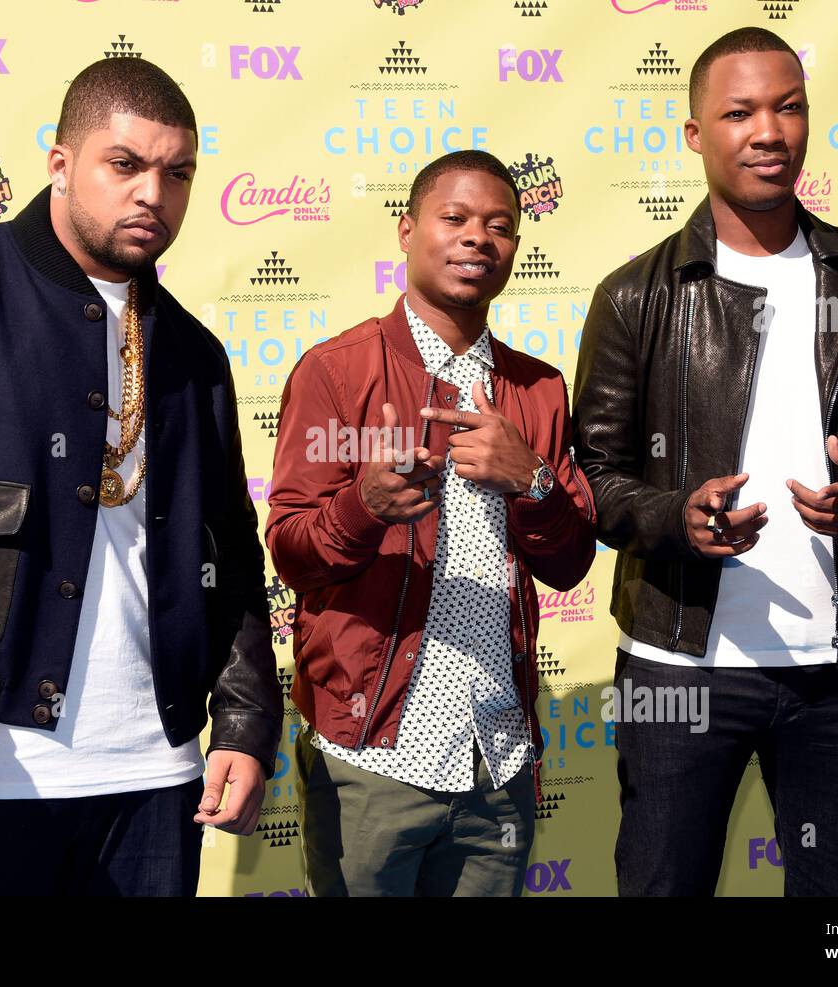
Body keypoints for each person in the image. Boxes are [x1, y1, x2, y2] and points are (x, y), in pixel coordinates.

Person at [0, 57, 282, 896]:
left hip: (157, 779)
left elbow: (231, 556)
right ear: (60, 164)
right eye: (125, 164)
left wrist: (248, 721)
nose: (153, 192)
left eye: (177, 173)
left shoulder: (192, 352)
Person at [573, 27, 838, 896]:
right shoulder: (637, 294)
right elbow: (590, 476)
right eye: (740, 111)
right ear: (695, 134)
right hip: (679, 673)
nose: (768, 131)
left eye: (788, 107)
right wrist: (675, 519)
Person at [267, 150, 597, 896]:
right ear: (407, 230)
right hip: (374, 754)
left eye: (501, 226)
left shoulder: (537, 388)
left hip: (498, 756)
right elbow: (291, 552)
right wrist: (364, 507)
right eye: (455, 219)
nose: (478, 238)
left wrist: (533, 480)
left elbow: (571, 560)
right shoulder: (336, 371)